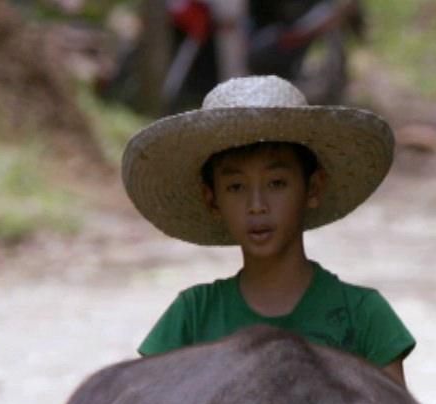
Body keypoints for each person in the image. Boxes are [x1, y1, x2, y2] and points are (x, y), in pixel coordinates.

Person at [123, 75, 415, 386]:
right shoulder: (192, 317)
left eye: (276, 183)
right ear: (213, 201)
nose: (257, 205)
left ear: (313, 188)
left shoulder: (364, 317)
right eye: (235, 187)